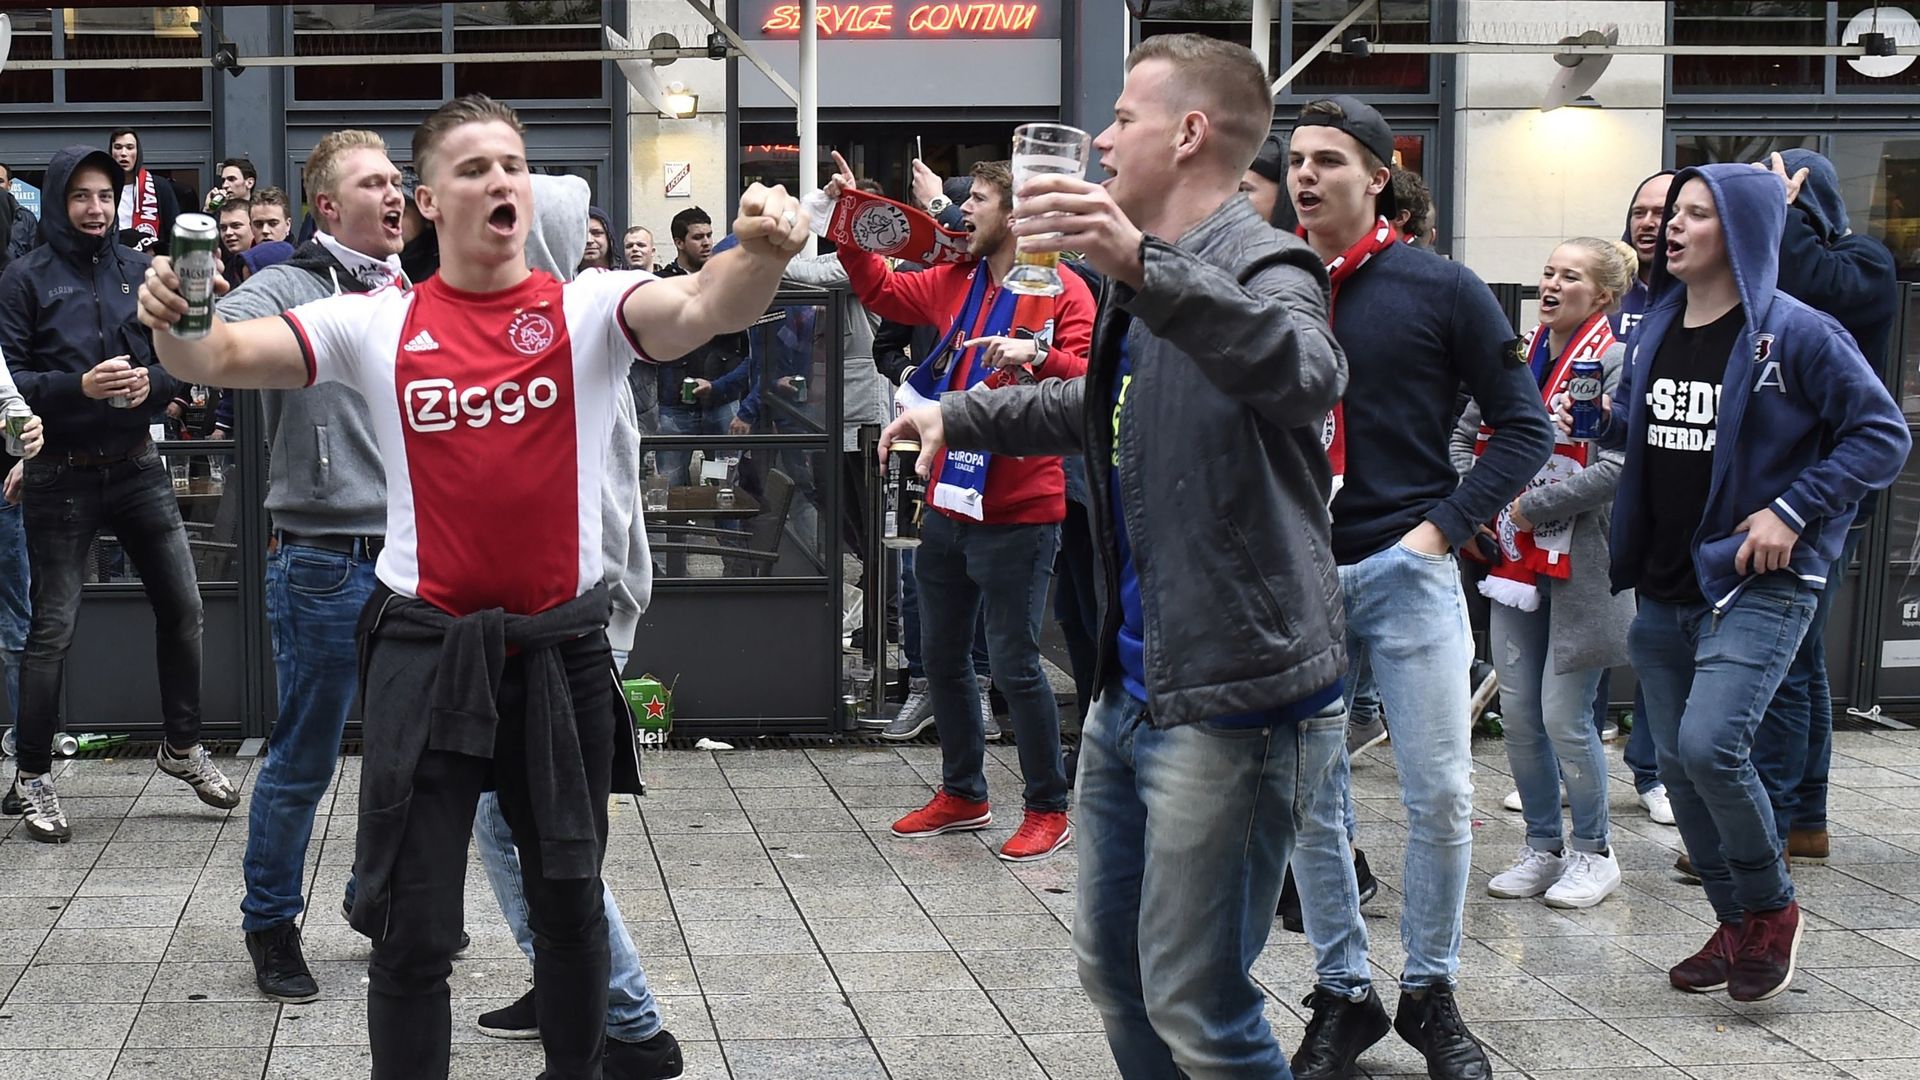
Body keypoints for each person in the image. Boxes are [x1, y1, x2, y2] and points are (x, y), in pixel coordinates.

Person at [139, 92, 804, 1080]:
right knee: (411, 930)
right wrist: (175, 315)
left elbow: (709, 307)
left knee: (568, 905)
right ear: (427, 202)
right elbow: (217, 354)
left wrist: (764, 249)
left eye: (513, 165)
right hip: (426, 648)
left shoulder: (588, 307)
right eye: (475, 168)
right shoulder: (379, 323)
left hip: (559, 652)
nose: (502, 181)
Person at [883, 34, 1347, 1077]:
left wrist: (1139, 263)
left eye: (1124, 117)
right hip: (1131, 687)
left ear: (1189, 134)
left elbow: (1308, 372)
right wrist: (956, 413)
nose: (1098, 140)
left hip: (1229, 693)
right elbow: (1098, 410)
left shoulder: (1264, 260)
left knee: (1199, 1004)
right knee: (1116, 974)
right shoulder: (1139, 281)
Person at [1582, 163, 1907, 1002]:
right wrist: (1605, 419)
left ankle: (1770, 909)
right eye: (1671, 212)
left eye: (1697, 213)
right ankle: (1735, 924)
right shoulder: (1656, 325)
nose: (1672, 225)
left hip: (1760, 580)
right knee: (1679, 765)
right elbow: (1656, 430)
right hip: (1666, 581)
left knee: (1708, 747)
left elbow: (1881, 435)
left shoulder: (1799, 331)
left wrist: (1792, 510)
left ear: (1745, 230)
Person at [1285, 95, 1552, 1080]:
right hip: (1300, 575)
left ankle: (1430, 991)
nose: (1304, 176)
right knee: (1313, 797)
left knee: (1440, 792)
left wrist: (1440, 531)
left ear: (1378, 174)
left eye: (1327, 160)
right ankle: (1342, 994)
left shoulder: (1442, 287)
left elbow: (1526, 427)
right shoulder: (1273, 282)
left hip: (1410, 571)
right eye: (1295, 160)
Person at [829, 151, 1092, 864]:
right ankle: (964, 793)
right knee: (941, 656)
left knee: (1014, 662)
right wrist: (852, 223)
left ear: (1016, 213)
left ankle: (1048, 807)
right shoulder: (959, 279)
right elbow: (882, 292)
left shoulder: (1065, 289)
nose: (961, 209)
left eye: (976, 198)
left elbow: (1090, 379)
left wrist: (1036, 356)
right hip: (948, 496)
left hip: (1021, 505)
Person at [0, 146, 238, 844]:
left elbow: (179, 361)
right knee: (52, 630)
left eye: (105, 195)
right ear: (57, 200)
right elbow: (11, 377)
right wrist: (78, 387)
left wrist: (151, 385)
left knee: (185, 608)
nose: (95, 208)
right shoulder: (23, 278)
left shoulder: (142, 270)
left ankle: (182, 746)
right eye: (81, 196)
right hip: (60, 475)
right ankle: (33, 773)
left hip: (138, 466)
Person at [1455, 237, 1637, 910]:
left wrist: (1531, 505)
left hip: (1580, 564)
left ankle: (1594, 851)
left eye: (1571, 276)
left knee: (1565, 716)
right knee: (1519, 713)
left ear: (1603, 296)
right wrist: (1475, 497)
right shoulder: (1516, 355)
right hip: (1511, 557)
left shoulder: (1616, 361)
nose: (1552, 285)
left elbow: (1620, 465)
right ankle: (1542, 847)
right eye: (1548, 273)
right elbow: (1463, 436)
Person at [1748, 149, 1902, 868]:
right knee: (1799, 657)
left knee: (1788, 661)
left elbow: (1812, 286)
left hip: (1825, 496)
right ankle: (1803, 816)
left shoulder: (1864, 263)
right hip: (1770, 489)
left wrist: (1781, 213)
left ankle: (1781, 819)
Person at [652, 207, 746, 483]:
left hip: (722, 395)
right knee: (670, 483)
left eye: (709, 235)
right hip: (674, 399)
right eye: (697, 237)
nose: (706, 242)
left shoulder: (726, 279)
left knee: (725, 484)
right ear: (679, 242)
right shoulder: (661, 283)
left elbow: (743, 335)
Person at [110, 127, 182, 254]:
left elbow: (175, 232)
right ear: (111, 152)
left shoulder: (159, 186)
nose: (123, 153)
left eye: (130, 147)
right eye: (118, 147)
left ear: (138, 152)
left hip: (149, 260)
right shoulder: (103, 189)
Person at [582, 205, 617, 272]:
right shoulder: (564, 277)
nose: (589, 240)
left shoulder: (626, 277)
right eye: (583, 235)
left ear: (609, 238)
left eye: (596, 233)